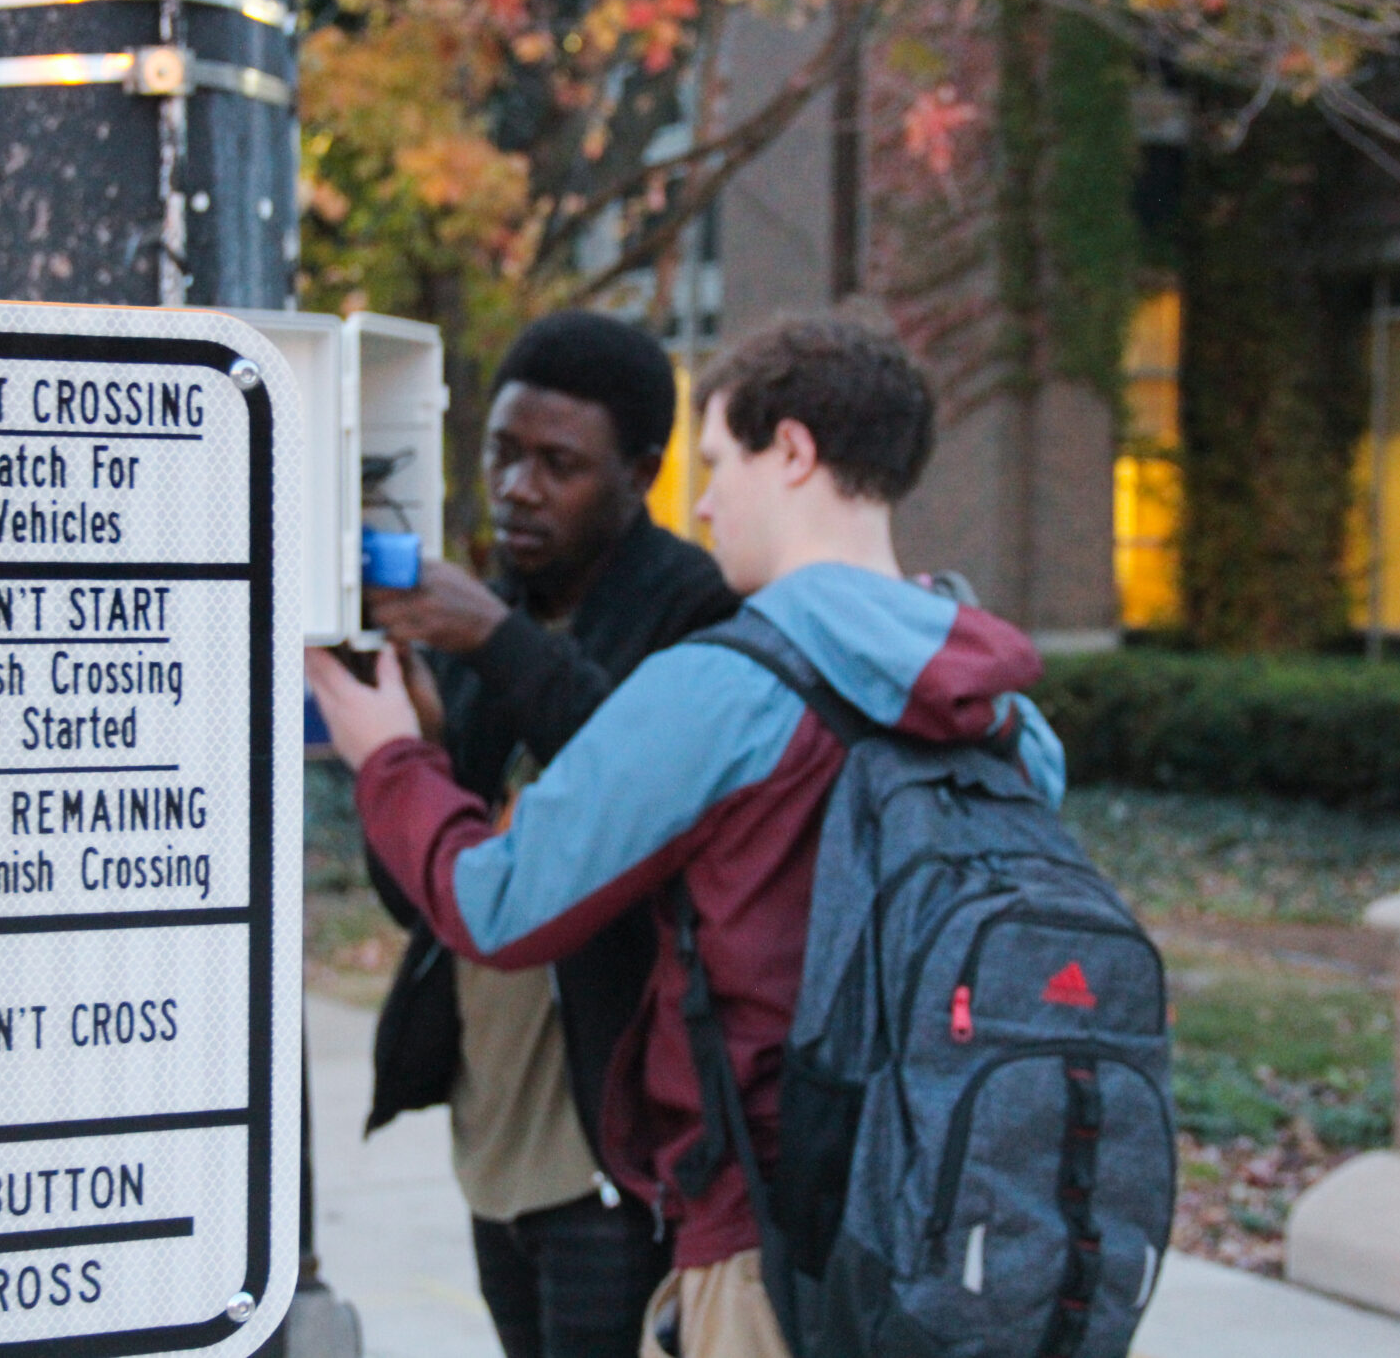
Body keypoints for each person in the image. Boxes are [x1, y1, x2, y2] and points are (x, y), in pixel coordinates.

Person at [309, 318, 1066, 1358]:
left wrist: (389, 756)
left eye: (717, 463)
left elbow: (492, 902)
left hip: (763, 1240)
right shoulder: (1005, 709)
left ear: (791, 453)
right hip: (945, 1221)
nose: (702, 502)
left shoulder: (724, 683)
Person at [359, 311, 738, 1358]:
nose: (517, 487)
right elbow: (420, 901)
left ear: (640, 471)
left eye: (557, 464)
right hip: (496, 1132)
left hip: (611, 1151)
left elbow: (646, 792)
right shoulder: (488, 613)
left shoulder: (695, 613)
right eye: (502, 453)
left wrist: (494, 638)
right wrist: (415, 759)